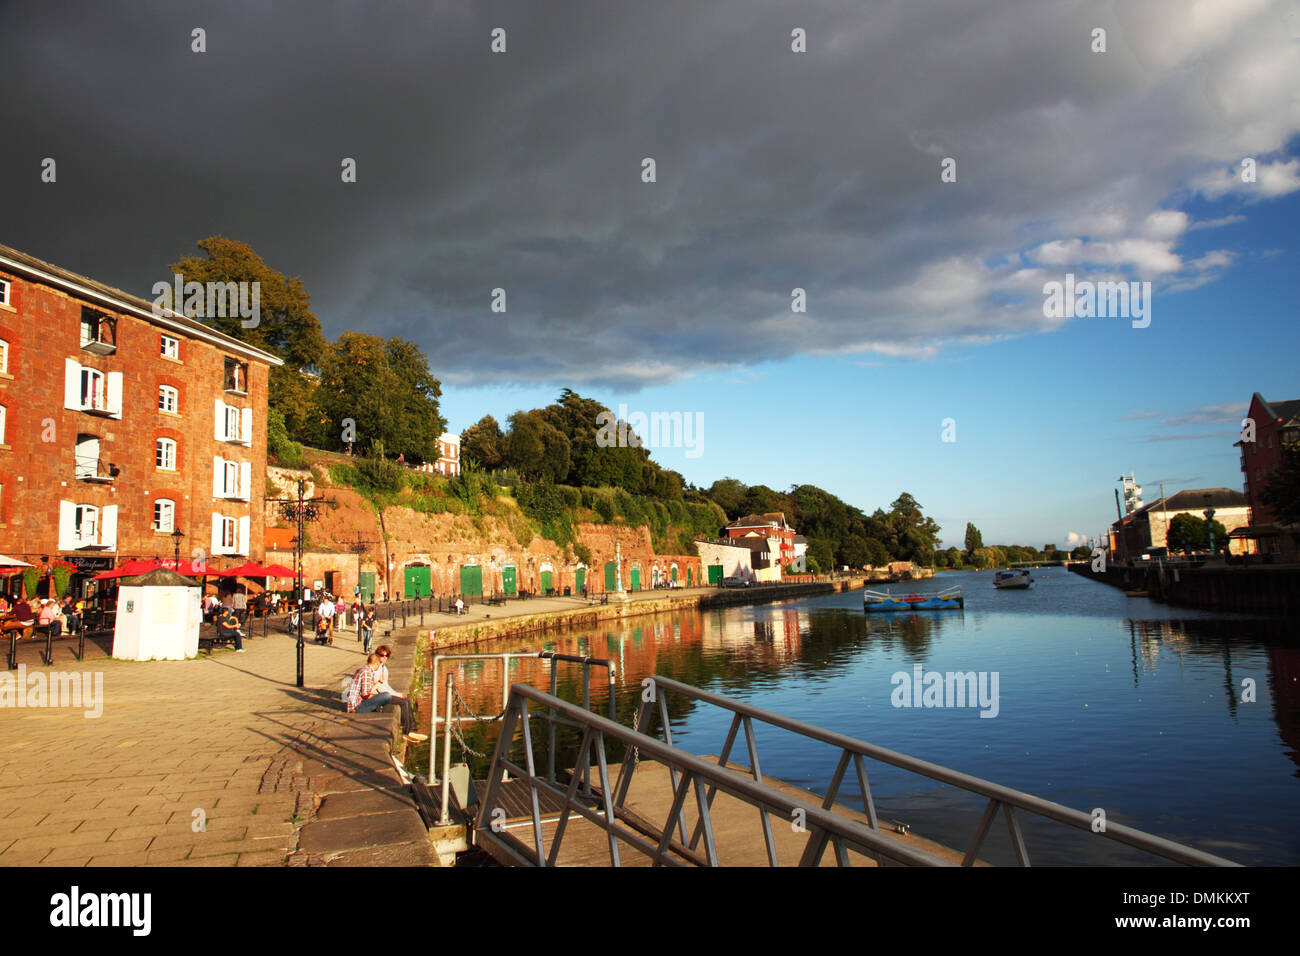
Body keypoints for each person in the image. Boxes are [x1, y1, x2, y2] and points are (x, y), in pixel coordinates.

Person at [345, 651, 426, 743]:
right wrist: (380, 697)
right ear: (376, 663)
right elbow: (366, 694)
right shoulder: (367, 672)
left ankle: (411, 729)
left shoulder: (363, 670)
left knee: (405, 701)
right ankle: (406, 732)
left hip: (358, 704)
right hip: (356, 707)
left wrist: (379, 684)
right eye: (378, 664)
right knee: (386, 695)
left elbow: (368, 691)